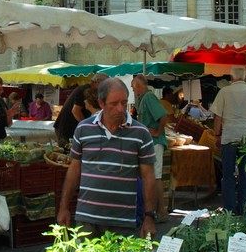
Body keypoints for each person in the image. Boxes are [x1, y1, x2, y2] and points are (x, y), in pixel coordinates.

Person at [57, 77, 157, 238]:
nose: (120, 109)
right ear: (101, 103)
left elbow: (148, 177)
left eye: (124, 103)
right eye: (114, 104)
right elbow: (74, 171)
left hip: (123, 222)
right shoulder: (83, 129)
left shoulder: (140, 133)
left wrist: (149, 216)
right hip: (87, 219)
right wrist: (64, 207)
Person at [211, 66, 246, 212]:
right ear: (244, 77)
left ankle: (229, 208)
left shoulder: (224, 92)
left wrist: (217, 135)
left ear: (231, 78)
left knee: (228, 174)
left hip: (229, 136)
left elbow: (218, 117)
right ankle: (244, 207)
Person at [132, 74, 169, 214]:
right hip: (150, 143)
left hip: (154, 142)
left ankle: (160, 212)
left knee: (156, 176)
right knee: (152, 176)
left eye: (133, 85)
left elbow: (163, 116)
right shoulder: (144, 98)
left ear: (139, 85)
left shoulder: (148, 97)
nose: (132, 88)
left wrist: (158, 132)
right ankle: (155, 211)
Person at [53, 73, 106, 146]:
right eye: (105, 85)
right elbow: (76, 111)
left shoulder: (87, 89)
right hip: (66, 129)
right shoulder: (85, 90)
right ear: (98, 82)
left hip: (68, 128)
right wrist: (88, 127)